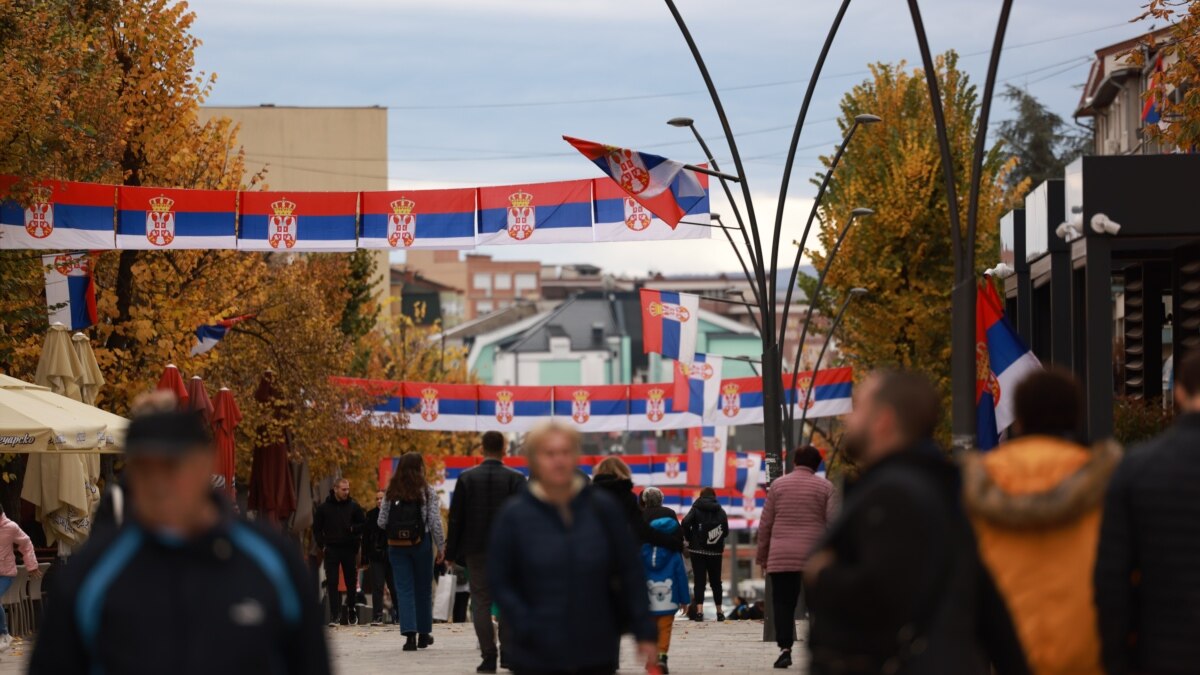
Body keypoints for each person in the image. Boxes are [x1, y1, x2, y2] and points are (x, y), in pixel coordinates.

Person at [30, 409, 330, 675]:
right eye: (144, 469)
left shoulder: (271, 561)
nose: (158, 482)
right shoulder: (92, 572)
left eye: (171, 466)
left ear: (203, 466)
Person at [803, 370, 1028, 675]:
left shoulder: (894, 494)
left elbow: (881, 596)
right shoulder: (942, 487)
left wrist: (823, 574)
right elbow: (987, 604)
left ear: (883, 421)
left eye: (859, 409)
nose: (849, 420)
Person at [963, 369, 1119, 673]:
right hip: (1089, 656)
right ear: (1076, 417)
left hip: (1004, 656)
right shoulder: (1108, 481)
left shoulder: (978, 486)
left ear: (1018, 419)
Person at [489, 422, 657, 674]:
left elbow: (629, 570)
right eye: (549, 453)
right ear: (534, 459)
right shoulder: (514, 515)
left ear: (576, 456)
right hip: (535, 651)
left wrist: (644, 630)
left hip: (596, 646)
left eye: (565, 452)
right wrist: (525, 622)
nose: (558, 461)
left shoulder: (603, 509)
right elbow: (500, 579)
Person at [1096, 350, 1200, 674]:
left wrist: (1116, 660)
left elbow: (1111, 582)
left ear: (1179, 392)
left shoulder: (1137, 468)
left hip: (1164, 655)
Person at [446, 431, 526, 673]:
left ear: (482, 449)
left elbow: (456, 518)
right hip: (508, 551)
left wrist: (450, 552)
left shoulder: (466, 479)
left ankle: (488, 655)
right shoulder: (516, 479)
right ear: (504, 449)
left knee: (480, 601)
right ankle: (509, 654)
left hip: (476, 549)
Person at [756, 445, 835, 665]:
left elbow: (766, 525)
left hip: (782, 557)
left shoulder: (778, 486)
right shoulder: (826, 487)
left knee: (782, 603)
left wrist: (762, 556)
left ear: (794, 462)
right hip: (815, 558)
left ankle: (785, 649)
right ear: (817, 464)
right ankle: (818, 649)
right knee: (818, 605)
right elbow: (833, 524)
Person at [379, 452, 445, 652]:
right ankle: (424, 634)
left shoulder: (391, 491)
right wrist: (441, 546)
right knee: (423, 589)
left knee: (404, 589)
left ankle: (409, 637)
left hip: (397, 546)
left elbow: (381, 522)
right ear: (420, 468)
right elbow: (434, 522)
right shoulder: (427, 491)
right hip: (421, 544)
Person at [640, 487, 689, 675]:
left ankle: (651, 658)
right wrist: (685, 599)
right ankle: (661, 657)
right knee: (665, 627)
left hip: (647, 594)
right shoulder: (670, 515)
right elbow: (681, 575)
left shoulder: (641, 521)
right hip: (669, 597)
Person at [592, 456, 681, 551]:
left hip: (592, 550)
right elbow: (642, 530)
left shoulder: (588, 495)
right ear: (623, 471)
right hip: (619, 552)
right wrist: (674, 544)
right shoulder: (627, 496)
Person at [313, 477, 365, 626]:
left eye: (348, 489)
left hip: (349, 548)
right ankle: (335, 614)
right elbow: (316, 529)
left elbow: (363, 524)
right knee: (332, 582)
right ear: (335, 489)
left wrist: (353, 530)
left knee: (350, 582)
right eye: (343, 489)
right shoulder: (324, 508)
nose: (346, 492)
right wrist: (322, 545)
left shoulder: (354, 506)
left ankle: (351, 609)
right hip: (331, 548)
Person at [682, 486, 729, 622]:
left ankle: (699, 612)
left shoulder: (696, 508)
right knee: (716, 582)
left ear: (701, 496)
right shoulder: (721, 511)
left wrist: (690, 537)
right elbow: (725, 532)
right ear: (714, 496)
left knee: (699, 581)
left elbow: (685, 522)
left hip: (697, 550)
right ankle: (719, 611)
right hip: (715, 552)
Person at [0, 502, 39, 651]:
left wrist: (32, 565)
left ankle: (5, 634)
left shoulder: (11, 527)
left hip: (6, 574)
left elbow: (26, 543)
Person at [363, 489, 397, 625]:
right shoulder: (370, 515)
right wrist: (365, 558)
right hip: (376, 556)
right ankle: (377, 616)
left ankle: (399, 615)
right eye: (377, 498)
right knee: (377, 587)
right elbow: (365, 538)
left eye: (381, 498)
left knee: (394, 586)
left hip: (392, 556)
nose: (379, 501)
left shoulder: (394, 514)